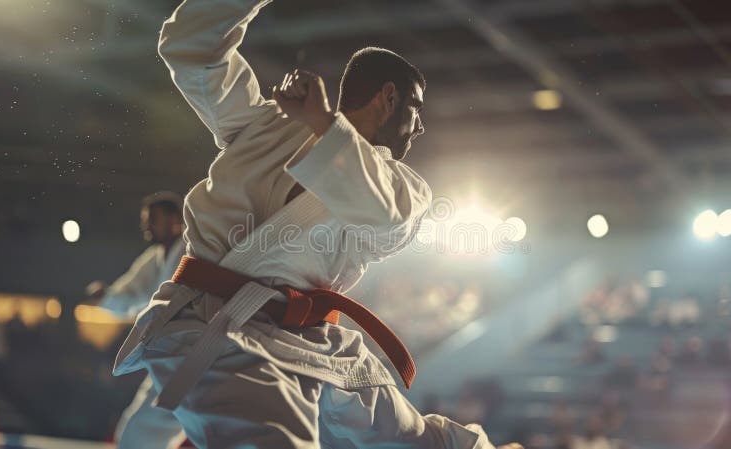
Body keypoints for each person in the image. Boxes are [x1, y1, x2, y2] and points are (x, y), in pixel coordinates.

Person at [113, 1, 517, 448]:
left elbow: (383, 217)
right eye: (416, 109)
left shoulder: (404, 187)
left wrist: (325, 125)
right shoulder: (264, 123)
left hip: (311, 336)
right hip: (217, 330)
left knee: (400, 430)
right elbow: (190, 48)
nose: (419, 127)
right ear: (387, 98)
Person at [88, 192, 186, 449]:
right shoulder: (155, 259)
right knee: (133, 432)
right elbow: (130, 293)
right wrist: (108, 297)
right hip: (169, 356)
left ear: (175, 219)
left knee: (139, 433)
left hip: (192, 354)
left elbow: (152, 299)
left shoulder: (193, 249)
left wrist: (111, 299)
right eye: (145, 219)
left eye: (153, 218)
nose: (146, 226)